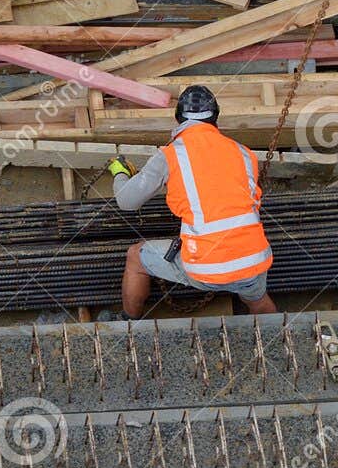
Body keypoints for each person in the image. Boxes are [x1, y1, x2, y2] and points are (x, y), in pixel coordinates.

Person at [109, 84, 278, 317]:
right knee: (257, 299)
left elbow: (126, 202)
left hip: (205, 266)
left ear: (179, 118)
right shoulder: (244, 153)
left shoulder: (170, 154)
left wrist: (120, 173)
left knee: (135, 257)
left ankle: (129, 319)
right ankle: (275, 330)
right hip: (253, 259)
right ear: (215, 118)